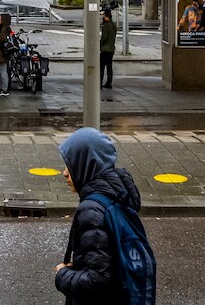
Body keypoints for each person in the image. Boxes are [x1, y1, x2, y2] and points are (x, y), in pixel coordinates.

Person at [54, 127, 149, 303]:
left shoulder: (91, 211)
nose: (65, 172)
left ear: (86, 164)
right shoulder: (117, 195)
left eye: (70, 165)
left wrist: (62, 274)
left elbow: (98, 280)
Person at [99, 8, 116, 89]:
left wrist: (100, 44)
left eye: (104, 16)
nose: (103, 17)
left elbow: (104, 37)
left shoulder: (106, 25)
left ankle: (99, 82)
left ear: (106, 16)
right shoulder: (113, 25)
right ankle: (109, 82)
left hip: (105, 49)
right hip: (111, 49)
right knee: (109, 67)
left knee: (101, 67)